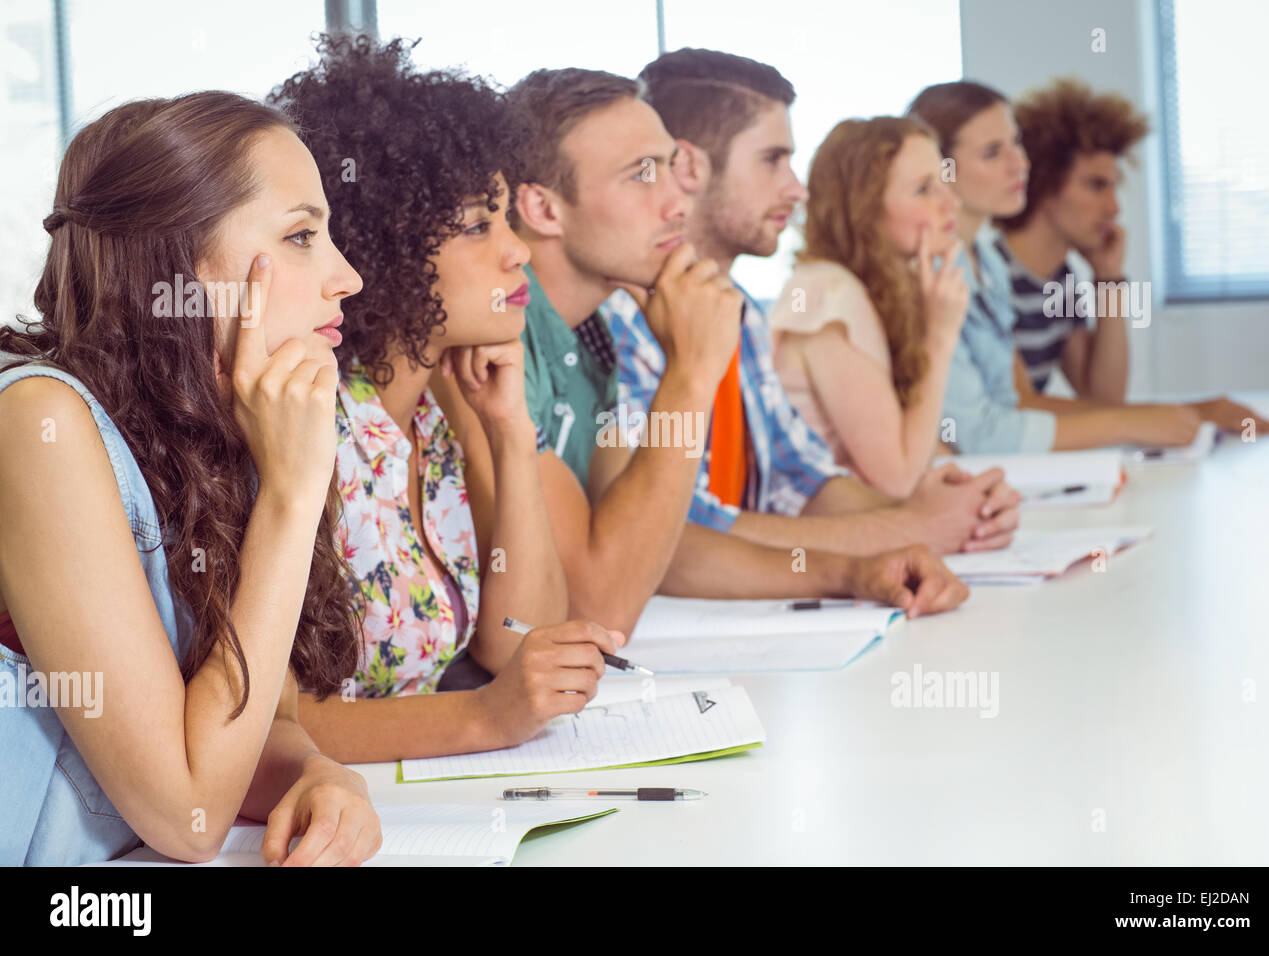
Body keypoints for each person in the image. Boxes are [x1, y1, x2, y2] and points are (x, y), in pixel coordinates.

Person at [0, 92, 381, 866]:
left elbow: (260, 724)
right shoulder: (41, 425)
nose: (348, 277)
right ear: (179, 266)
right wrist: (289, 495)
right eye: (302, 236)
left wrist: (317, 775)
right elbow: (190, 818)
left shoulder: (225, 426)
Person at [497, 64, 972, 623]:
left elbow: (656, 529)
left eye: (671, 170)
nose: (679, 202)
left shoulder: (593, 336)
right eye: (642, 174)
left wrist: (859, 571)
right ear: (543, 209)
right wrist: (691, 372)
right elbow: (606, 597)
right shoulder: (505, 337)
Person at [267, 36, 624, 765]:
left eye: (507, 220)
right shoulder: (307, 418)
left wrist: (510, 433)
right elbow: (278, 725)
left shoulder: (433, 417)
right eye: (476, 227)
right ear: (385, 248)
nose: (516, 251)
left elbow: (520, 637)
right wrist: (483, 719)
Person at [597, 49, 1015, 598]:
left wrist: (953, 510)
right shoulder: (619, 323)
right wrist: (915, 526)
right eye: (773, 160)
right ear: (691, 167)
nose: (796, 189)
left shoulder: (740, 310)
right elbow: (681, 533)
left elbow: (802, 477)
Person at [908, 80, 1218, 453]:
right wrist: (1159, 416)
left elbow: (1086, 395)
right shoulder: (939, 273)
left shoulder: (993, 268)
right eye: (992, 152)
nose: (1020, 164)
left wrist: (1109, 280)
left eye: (1016, 144)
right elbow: (985, 428)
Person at [994, 78, 1269, 435]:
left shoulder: (1058, 280)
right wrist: (1196, 411)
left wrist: (1109, 277)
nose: (1114, 207)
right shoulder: (990, 272)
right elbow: (1013, 408)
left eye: (1114, 187)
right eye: (1096, 186)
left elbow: (1103, 396)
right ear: (1044, 184)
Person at [770, 116, 969, 497]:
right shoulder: (827, 294)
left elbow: (917, 451)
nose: (952, 203)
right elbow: (896, 479)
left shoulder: (870, 290)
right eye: (924, 189)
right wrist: (940, 338)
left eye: (944, 182)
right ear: (865, 209)